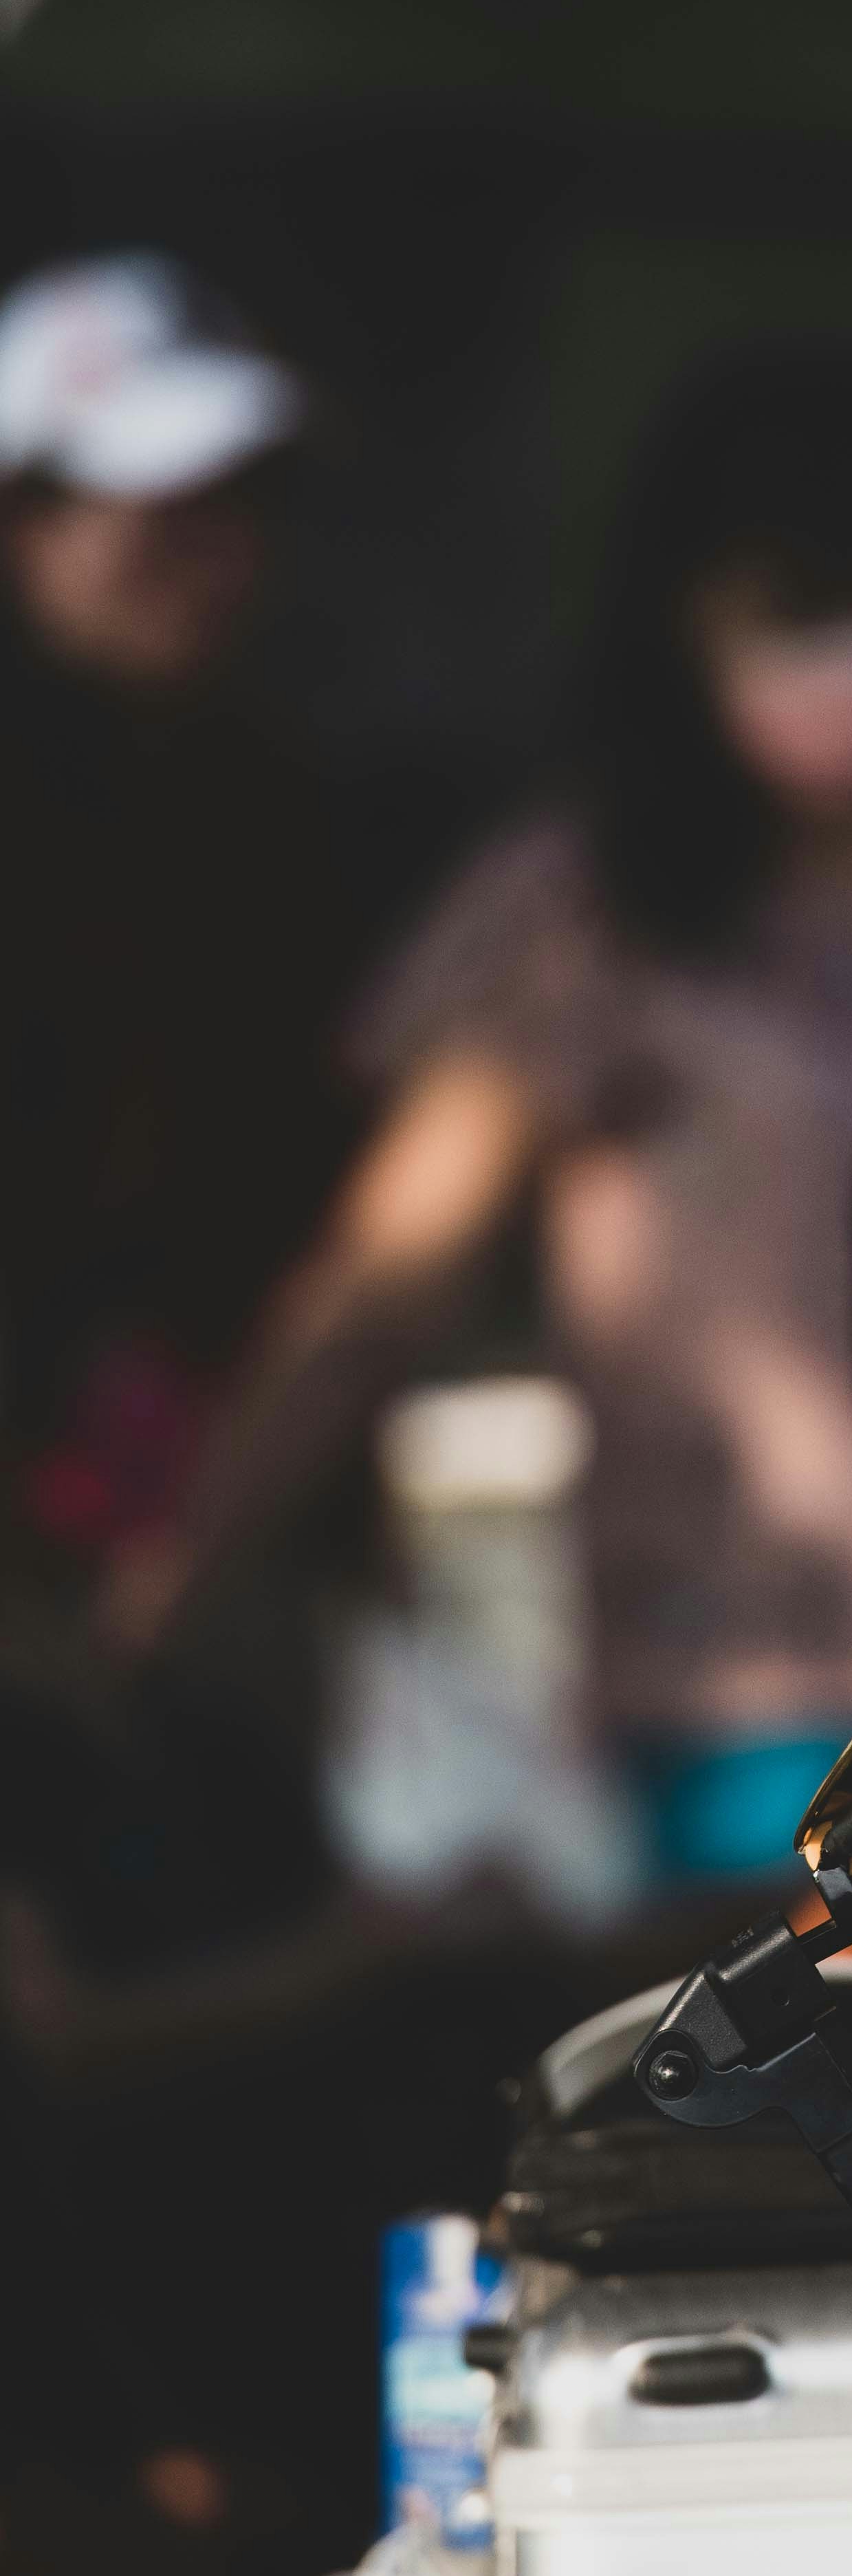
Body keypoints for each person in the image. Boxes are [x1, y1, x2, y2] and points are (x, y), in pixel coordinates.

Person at [162, 341, 852, 1880]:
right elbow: (384, 1283)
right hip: (745, 1711)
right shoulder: (584, 907)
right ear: (684, 623)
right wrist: (170, 1590)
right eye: (801, 612)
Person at [0, 255, 354, 1658]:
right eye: (156, 507)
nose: (210, 550)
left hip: (217, 1538)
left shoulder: (269, 808)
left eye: (241, 502)